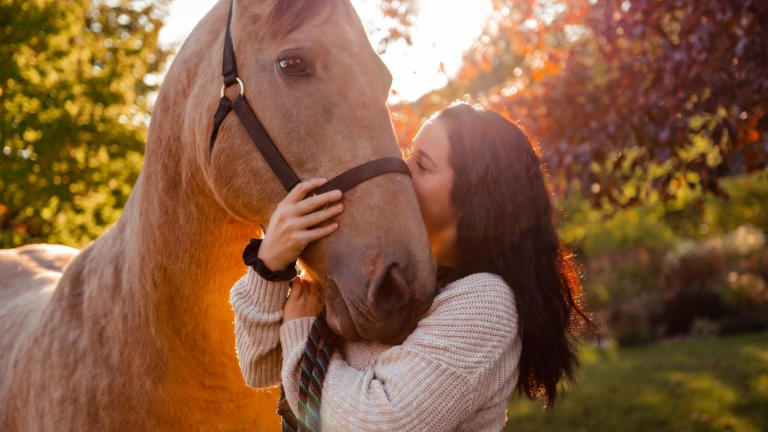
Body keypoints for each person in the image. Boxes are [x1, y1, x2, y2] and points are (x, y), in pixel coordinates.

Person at [229, 103, 592, 431]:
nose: (399, 171)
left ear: (473, 203)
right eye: (407, 153)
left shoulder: (485, 303)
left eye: (421, 164)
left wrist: (299, 327)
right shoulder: (380, 266)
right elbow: (261, 366)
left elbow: (378, 422)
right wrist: (270, 264)